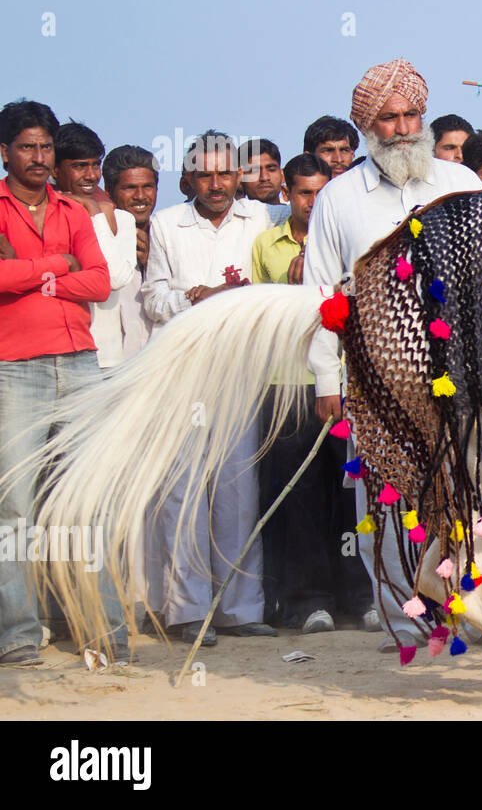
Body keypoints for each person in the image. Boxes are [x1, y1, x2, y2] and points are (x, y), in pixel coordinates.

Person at [303, 58, 482, 651]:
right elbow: (322, 295)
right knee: (391, 500)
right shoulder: (338, 198)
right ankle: (407, 622)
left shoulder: (459, 185)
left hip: (458, 374)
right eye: (388, 118)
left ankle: (473, 612)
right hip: (376, 377)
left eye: (412, 114)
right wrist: (326, 377)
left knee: (469, 491)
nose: (403, 127)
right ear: (367, 127)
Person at [143, 129, 275, 646]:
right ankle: (186, 609)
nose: (216, 184)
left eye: (225, 173)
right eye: (205, 174)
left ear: (239, 176)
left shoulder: (259, 218)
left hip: (240, 366)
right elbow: (154, 297)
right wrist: (196, 297)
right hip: (182, 369)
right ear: (189, 177)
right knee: (181, 492)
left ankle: (240, 609)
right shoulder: (166, 224)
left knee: (238, 491)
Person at [0, 100, 115, 666]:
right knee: (13, 510)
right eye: (28, 147)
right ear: (5, 152)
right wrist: (57, 266)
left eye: (46, 147)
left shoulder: (73, 209)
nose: (40, 157)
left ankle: (104, 631)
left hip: (79, 363)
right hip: (12, 368)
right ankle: (19, 636)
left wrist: (29, 274)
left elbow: (100, 282)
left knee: (89, 501)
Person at [251, 153, 371, 632]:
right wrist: (293, 282)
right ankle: (308, 600)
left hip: (349, 382)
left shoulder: (352, 241)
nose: (314, 202)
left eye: (323, 192)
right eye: (304, 193)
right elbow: (258, 313)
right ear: (287, 195)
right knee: (300, 497)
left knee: (350, 494)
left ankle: (360, 595)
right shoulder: (266, 244)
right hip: (289, 384)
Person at [52, 123, 139, 370]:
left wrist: (94, 213)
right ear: (55, 170)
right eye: (80, 166)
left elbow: (113, 279)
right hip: (53, 354)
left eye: (95, 165)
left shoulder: (121, 219)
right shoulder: (45, 218)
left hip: (107, 359)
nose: (91, 175)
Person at [102, 145, 159, 360]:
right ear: (109, 189)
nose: (141, 196)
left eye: (148, 186)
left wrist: (152, 263)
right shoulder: (98, 236)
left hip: (160, 364)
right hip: (112, 366)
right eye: (129, 188)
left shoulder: (170, 236)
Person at [239, 137, 289, 225]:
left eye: (271, 169)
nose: (264, 177)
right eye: (254, 171)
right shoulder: (234, 221)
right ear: (240, 177)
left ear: (282, 175)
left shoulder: (297, 217)